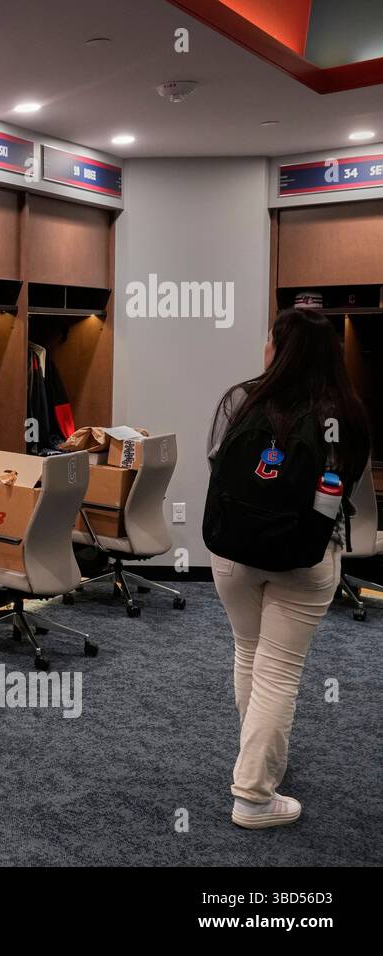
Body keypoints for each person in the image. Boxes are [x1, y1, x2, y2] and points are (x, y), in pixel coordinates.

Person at [208, 308, 370, 830]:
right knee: (278, 670)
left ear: (278, 347)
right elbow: (346, 485)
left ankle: (256, 760)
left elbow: (218, 467)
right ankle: (253, 794)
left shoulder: (240, 398)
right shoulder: (347, 412)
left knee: (248, 653)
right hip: (305, 556)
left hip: (231, 552)